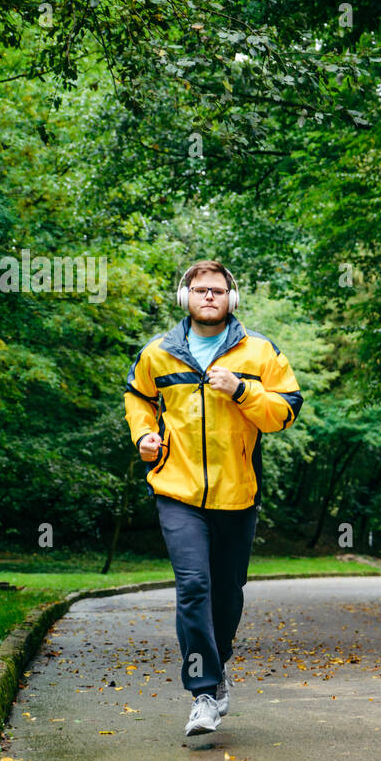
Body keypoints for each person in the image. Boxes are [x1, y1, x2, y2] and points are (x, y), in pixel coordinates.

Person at [123, 260, 302, 736]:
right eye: (199, 290)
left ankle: (217, 670)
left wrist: (242, 390)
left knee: (226, 594)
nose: (208, 297)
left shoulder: (261, 352)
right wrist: (144, 436)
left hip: (238, 494)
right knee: (193, 586)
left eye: (217, 291)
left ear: (231, 299)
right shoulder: (158, 354)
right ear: (185, 298)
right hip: (176, 490)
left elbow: (285, 413)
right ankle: (203, 691)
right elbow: (138, 397)